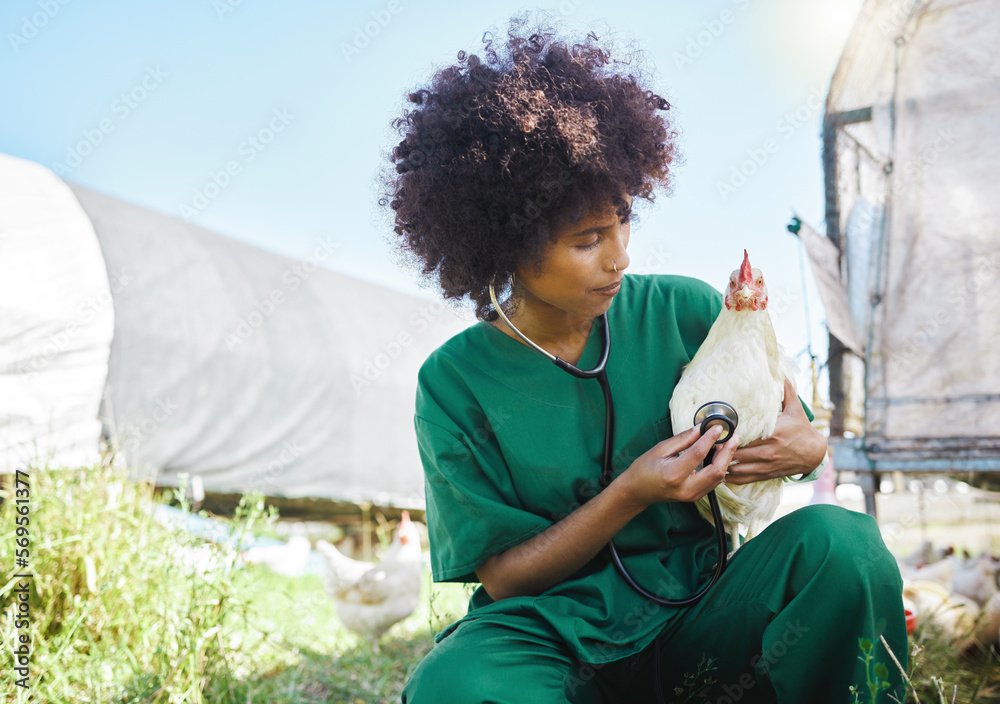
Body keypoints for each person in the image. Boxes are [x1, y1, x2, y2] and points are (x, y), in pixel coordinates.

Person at [381, 13, 907, 703]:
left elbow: (793, 435)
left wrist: (808, 446)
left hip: (705, 609)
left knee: (844, 547)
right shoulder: (454, 383)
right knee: (456, 686)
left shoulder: (686, 312)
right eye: (586, 238)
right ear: (505, 243)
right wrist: (630, 493)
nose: (620, 255)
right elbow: (505, 577)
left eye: (623, 218)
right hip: (550, 634)